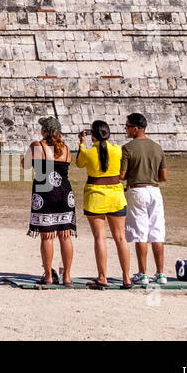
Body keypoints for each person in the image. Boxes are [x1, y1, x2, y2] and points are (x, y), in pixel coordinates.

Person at [76, 120, 132, 288]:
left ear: (92, 135)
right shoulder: (116, 150)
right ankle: (127, 277)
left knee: (100, 237)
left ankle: (102, 277)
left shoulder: (87, 152)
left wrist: (81, 143)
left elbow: (79, 163)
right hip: (116, 197)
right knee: (121, 238)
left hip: (95, 198)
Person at [23, 116, 75, 285]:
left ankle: (48, 275)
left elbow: (25, 165)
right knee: (65, 236)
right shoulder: (66, 149)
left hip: (45, 194)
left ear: (44, 131)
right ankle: (66, 276)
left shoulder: (37, 146)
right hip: (65, 194)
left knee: (47, 237)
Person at [120, 112, 169, 285]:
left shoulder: (127, 148)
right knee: (157, 231)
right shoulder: (157, 147)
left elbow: (122, 174)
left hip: (137, 190)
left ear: (135, 128)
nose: (126, 130)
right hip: (155, 190)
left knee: (140, 232)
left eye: (127, 126)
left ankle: (142, 273)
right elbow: (163, 176)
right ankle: (161, 273)